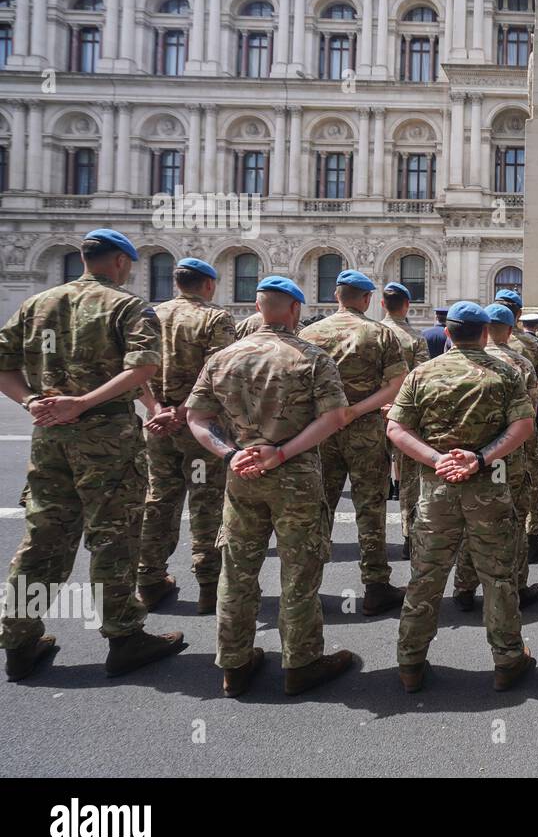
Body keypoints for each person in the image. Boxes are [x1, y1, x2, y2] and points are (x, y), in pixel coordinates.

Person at [0, 229, 186, 682]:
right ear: (122, 262)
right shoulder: (126, 305)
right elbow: (142, 367)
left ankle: (19, 639)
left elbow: (3, 363)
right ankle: (123, 636)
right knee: (113, 536)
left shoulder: (37, 304)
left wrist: (30, 402)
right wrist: (84, 403)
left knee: (43, 536)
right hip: (107, 439)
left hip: (51, 438)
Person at [185, 275, 355, 697]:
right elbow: (334, 418)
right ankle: (301, 662)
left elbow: (198, 419)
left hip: (242, 474)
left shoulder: (223, 358)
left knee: (237, 572)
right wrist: (281, 452)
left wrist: (229, 454)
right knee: (299, 571)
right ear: (295, 309)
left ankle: (234, 664)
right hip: (294, 476)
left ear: (259, 308)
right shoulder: (311, 357)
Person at [386, 301, 538, 694]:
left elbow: (397, 430)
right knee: (498, 576)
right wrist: (480, 457)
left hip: (436, 490)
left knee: (426, 575)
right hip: (488, 487)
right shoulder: (504, 372)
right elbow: (523, 425)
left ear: (448, 334)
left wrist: (438, 459)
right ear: (484, 333)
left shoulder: (422, 373)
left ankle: (410, 661)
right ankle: (507, 659)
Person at [300, 270, 408, 616]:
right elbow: (397, 385)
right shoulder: (380, 333)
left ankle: (306, 585)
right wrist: (356, 410)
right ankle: (375, 584)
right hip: (364, 427)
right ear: (366, 300)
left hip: (321, 430)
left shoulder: (309, 334)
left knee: (319, 507)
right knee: (370, 507)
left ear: (336, 296)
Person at [136, 257, 238, 615]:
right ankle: (208, 585)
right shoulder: (216, 318)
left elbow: (135, 368)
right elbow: (218, 373)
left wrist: (156, 409)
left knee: (159, 498)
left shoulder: (149, 315)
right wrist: (183, 412)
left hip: (158, 424)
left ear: (177, 283)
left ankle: (149, 579)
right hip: (200, 427)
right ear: (208, 284)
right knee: (206, 501)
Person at [452, 303, 538, 612]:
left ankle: (464, 585)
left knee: (470, 520)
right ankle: (514, 585)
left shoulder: (454, 361)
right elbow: (528, 413)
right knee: (511, 521)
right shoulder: (520, 364)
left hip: (465, 455)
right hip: (508, 455)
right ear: (508, 328)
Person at [493, 289, 538, 562]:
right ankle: (530, 537)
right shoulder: (531, 345)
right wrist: (526, 391)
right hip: (523, 426)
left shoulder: (473, 340)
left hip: (483, 428)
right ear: (518, 314)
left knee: (488, 481)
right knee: (529, 480)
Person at [379, 282, 430, 562]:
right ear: (406, 306)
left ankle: (372, 547)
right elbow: (421, 380)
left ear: (382, 305)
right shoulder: (414, 338)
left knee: (370, 485)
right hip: (405, 414)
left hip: (368, 415)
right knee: (409, 481)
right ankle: (410, 537)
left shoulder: (369, 333)